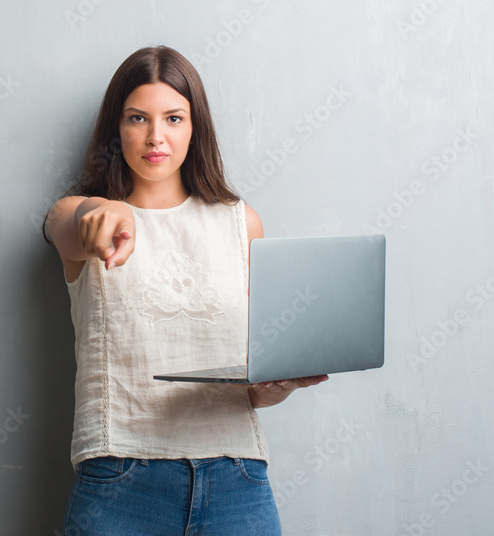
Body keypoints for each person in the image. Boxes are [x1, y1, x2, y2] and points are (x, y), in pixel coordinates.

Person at [41, 45, 328, 535]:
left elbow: (252, 391)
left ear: (195, 128)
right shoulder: (78, 215)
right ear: (117, 128)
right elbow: (71, 225)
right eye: (137, 118)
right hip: (121, 477)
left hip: (236, 477)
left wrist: (276, 386)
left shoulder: (242, 223)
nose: (157, 136)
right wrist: (101, 210)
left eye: (174, 118)